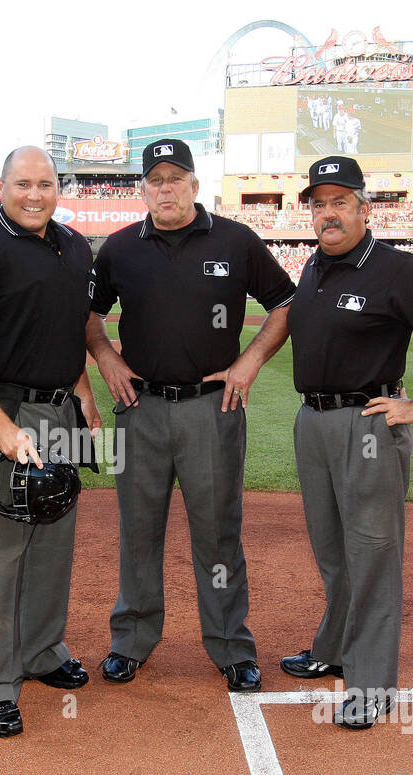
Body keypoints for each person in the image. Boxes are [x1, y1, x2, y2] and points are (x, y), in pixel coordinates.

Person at [86, 138, 296, 692]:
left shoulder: (234, 238)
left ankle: (231, 647)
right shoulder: (120, 248)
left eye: (174, 179)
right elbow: (89, 314)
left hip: (212, 408)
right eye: (155, 180)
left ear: (194, 185)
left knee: (218, 532)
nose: (165, 189)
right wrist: (106, 357)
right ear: (143, 189)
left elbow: (286, 302)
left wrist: (249, 363)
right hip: (140, 408)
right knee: (138, 531)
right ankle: (131, 640)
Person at [279, 155, 413, 728]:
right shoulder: (314, 268)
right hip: (312, 423)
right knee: (332, 551)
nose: (328, 213)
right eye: (318, 204)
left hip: (365, 425)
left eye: (340, 202)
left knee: (372, 555)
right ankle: (332, 650)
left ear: (365, 209)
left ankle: (369, 686)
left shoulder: (396, 268)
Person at [0, 146, 100, 739]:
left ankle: (41, 650)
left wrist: (85, 398)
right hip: (2, 407)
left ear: (60, 188)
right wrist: (1, 428)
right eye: (23, 184)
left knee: (54, 539)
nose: (35, 194)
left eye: (46, 184)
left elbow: (70, 330)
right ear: (2, 186)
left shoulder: (76, 248)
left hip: (59, 408)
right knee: (0, 554)